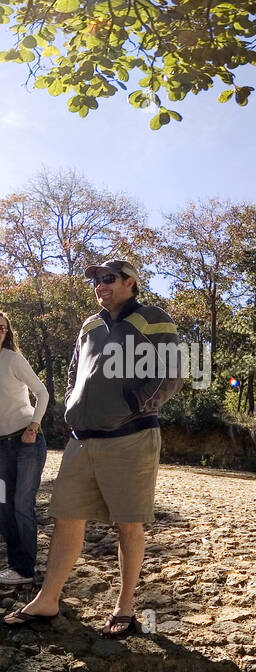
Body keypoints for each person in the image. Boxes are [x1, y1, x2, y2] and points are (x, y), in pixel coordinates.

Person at [4, 258, 186, 636]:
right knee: (66, 517)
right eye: (96, 281)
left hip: (131, 437)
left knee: (128, 524)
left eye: (107, 279)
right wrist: (72, 403)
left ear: (130, 282)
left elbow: (170, 373)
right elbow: (75, 369)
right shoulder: (89, 324)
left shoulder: (155, 318)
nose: (99, 286)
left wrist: (132, 406)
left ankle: (125, 608)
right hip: (81, 440)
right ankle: (47, 599)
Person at [0, 309, 43, 583]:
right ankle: (15, 565)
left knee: (21, 505)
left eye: (2, 328)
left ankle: (25, 569)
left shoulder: (13, 359)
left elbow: (43, 392)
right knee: (2, 504)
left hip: (26, 442)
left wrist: (33, 427)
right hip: (0, 446)